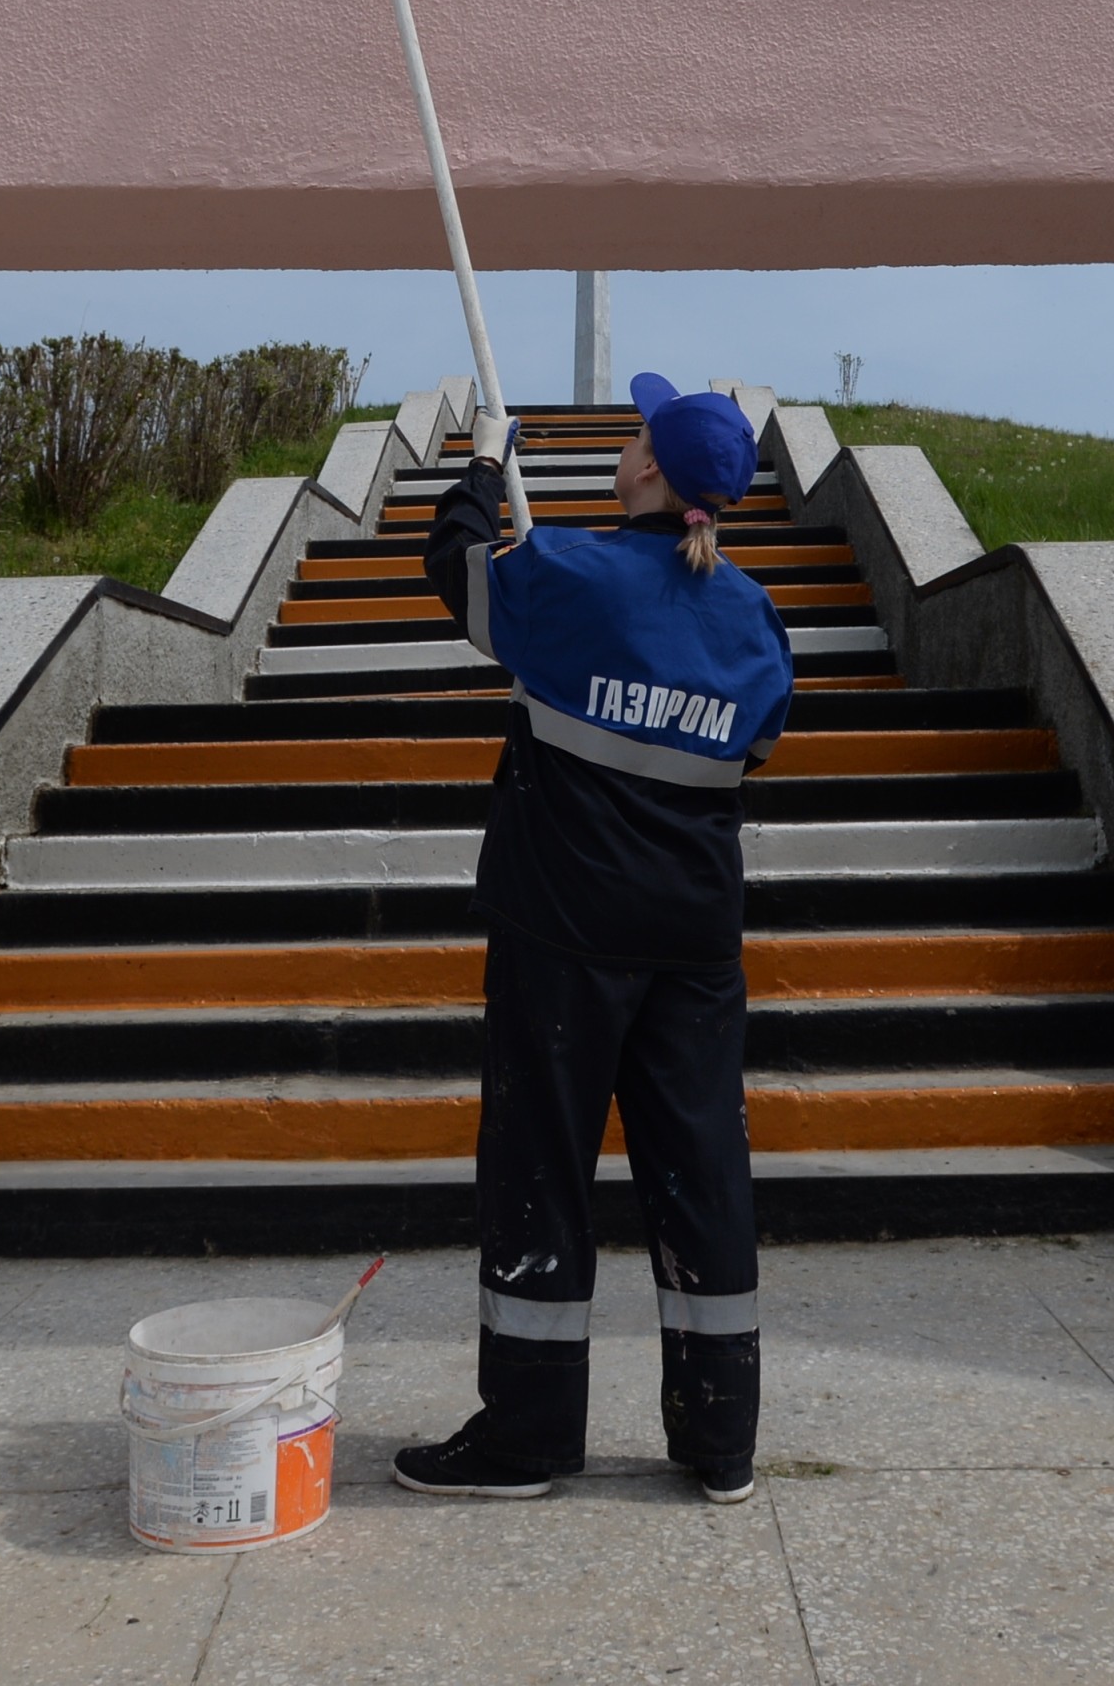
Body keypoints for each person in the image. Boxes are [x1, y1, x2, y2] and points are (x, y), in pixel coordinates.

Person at [391, 372, 798, 1506]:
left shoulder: (569, 570)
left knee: (542, 1169)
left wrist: (481, 462)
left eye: (632, 438)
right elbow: (754, 741)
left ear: (653, 470)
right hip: (695, 944)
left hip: (563, 932)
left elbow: (456, 571)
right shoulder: (754, 616)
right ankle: (721, 1440)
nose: (622, 449)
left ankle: (526, 1438)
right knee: (704, 1171)